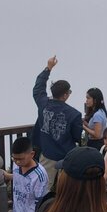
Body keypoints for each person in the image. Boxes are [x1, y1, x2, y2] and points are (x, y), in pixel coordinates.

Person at [32, 55, 83, 188]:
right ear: (65, 95)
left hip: (47, 154)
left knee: (44, 188)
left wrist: (48, 68)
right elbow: (76, 136)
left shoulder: (43, 104)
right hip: (66, 156)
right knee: (66, 190)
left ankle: (44, 209)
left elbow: (38, 88)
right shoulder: (74, 114)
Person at [7, 136, 48, 212]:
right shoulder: (16, 165)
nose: (17, 162)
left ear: (32, 154)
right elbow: (20, 178)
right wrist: (7, 176)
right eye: (14, 158)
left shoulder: (39, 175)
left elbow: (41, 203)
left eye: (21, 159)